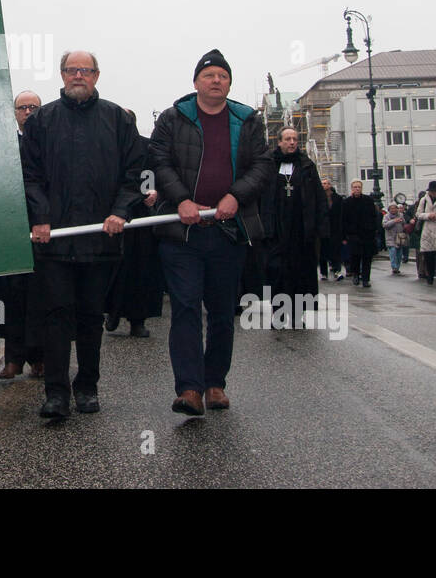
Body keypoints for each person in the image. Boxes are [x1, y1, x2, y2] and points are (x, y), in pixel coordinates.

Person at [148, 48, 273, 417]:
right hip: (182, 233)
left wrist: (236, 195)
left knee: (221, 310)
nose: (216, 80)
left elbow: (262, 165)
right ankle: (189, 388)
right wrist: (181, 199)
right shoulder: (174, 118)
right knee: (185, 306)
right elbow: (159, 159)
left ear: (229, 82)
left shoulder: (247, 119)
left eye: (222, 75)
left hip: (227, 231)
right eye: (209, 75)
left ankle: (215, 382)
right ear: (196, 82)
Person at [23, 51, 145, 418]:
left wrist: (120, 211)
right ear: (61, 75)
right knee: (57, 315)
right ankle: (56, 393)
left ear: (96, 75)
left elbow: (133, 174)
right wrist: (40, 216)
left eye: (85, 70)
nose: (79, 75)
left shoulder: (117, 119)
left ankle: (87, 386)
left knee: (91, 316)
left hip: (100, 239)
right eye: (71, 70)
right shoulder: (41, 121)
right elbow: (28, 175)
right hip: (54, 240)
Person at [257, 126, 327, 324]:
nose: (291, 142)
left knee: (300, 272)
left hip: (300, 228)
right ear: (279, 142)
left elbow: (318, 197)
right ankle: (278, 312)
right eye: (287, 139)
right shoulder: (269, 164)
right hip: (276, 227)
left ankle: (297, 314)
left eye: (295, 139)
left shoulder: (306, 165)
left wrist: (321, 226)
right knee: (276, 271)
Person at [0, 91, 45, 380]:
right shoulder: (2, 145)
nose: (27, 111)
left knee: (41, 297)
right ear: (14, 112)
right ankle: (13, 359)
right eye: (22, 107)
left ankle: (40, 357)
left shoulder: (49, 142)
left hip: (42, 228)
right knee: (12, 296)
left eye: (33, 107)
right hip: (11, 228)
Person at [105, 110, 164, 339]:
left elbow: (160, 173)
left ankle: (138, 319)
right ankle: (112, 312)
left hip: (142, 218)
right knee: (114, 268)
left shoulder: (148, 148)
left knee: (142, 269)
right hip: (114, 215)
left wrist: (155, 192)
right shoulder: (108, 148)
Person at [340, 180, 379, 287]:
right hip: (353, 235)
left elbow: (374, 216)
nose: (357, 189)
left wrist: (374, 230)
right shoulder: (347, 202)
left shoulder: (368, 200)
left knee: (367, 258)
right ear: (352, 188)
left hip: (367, 234)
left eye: (359, 187)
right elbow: (343, 220)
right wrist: (344, 236)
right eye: (355, 187)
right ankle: (356, 275)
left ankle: (366, 279)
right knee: (355, 257)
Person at [318, 177, 344, 282]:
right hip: (322, 230)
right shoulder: (318, 198)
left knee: (336, 252)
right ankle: (323, 273)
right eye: (323, 183)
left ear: (330, 185)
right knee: (323, 253)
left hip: (335, 229)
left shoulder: (337, 198)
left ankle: (337, 271)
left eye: (326, 183)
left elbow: (341, 215)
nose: (324, 185)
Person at [382, 202, 408, 274]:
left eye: (395, 208)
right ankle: (394, 267)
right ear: (389, 209)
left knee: (399, 253)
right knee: (393, 252)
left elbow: (404, 224)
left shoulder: (401, 215)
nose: (393, 210)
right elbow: (385, 225)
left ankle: (398, 266)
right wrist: (394, 221)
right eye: (391, 208)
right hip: (390, 237)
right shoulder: (386, 216)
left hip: (399, 237)